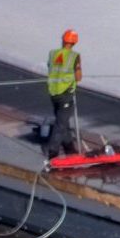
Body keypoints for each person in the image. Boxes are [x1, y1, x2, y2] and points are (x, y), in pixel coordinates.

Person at [44, 28, 83, 159]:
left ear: (63, 40)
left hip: (53, 92)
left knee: (63, 121)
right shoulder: (74, 56)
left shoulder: (53, 53)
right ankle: (52, 152)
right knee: (61, 124)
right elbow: (78, 77)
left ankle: (69, 147)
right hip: (65, 94)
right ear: (74, 43)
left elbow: (52, 67)